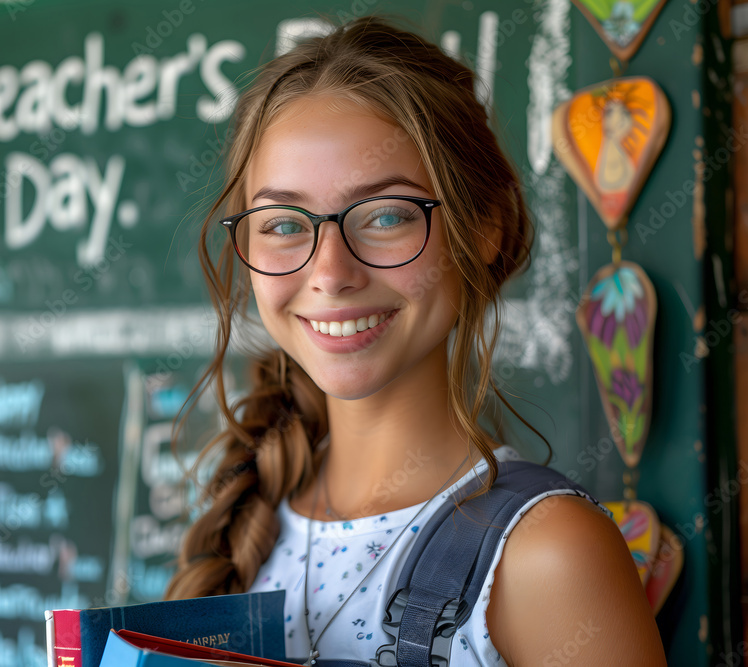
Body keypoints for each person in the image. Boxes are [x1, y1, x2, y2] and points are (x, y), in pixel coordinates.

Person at [164, 15, 668, 667]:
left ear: (483, 227)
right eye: (284, 223)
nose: (330, 273)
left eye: (387, 215)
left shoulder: (549, 552)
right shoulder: (249, 523)